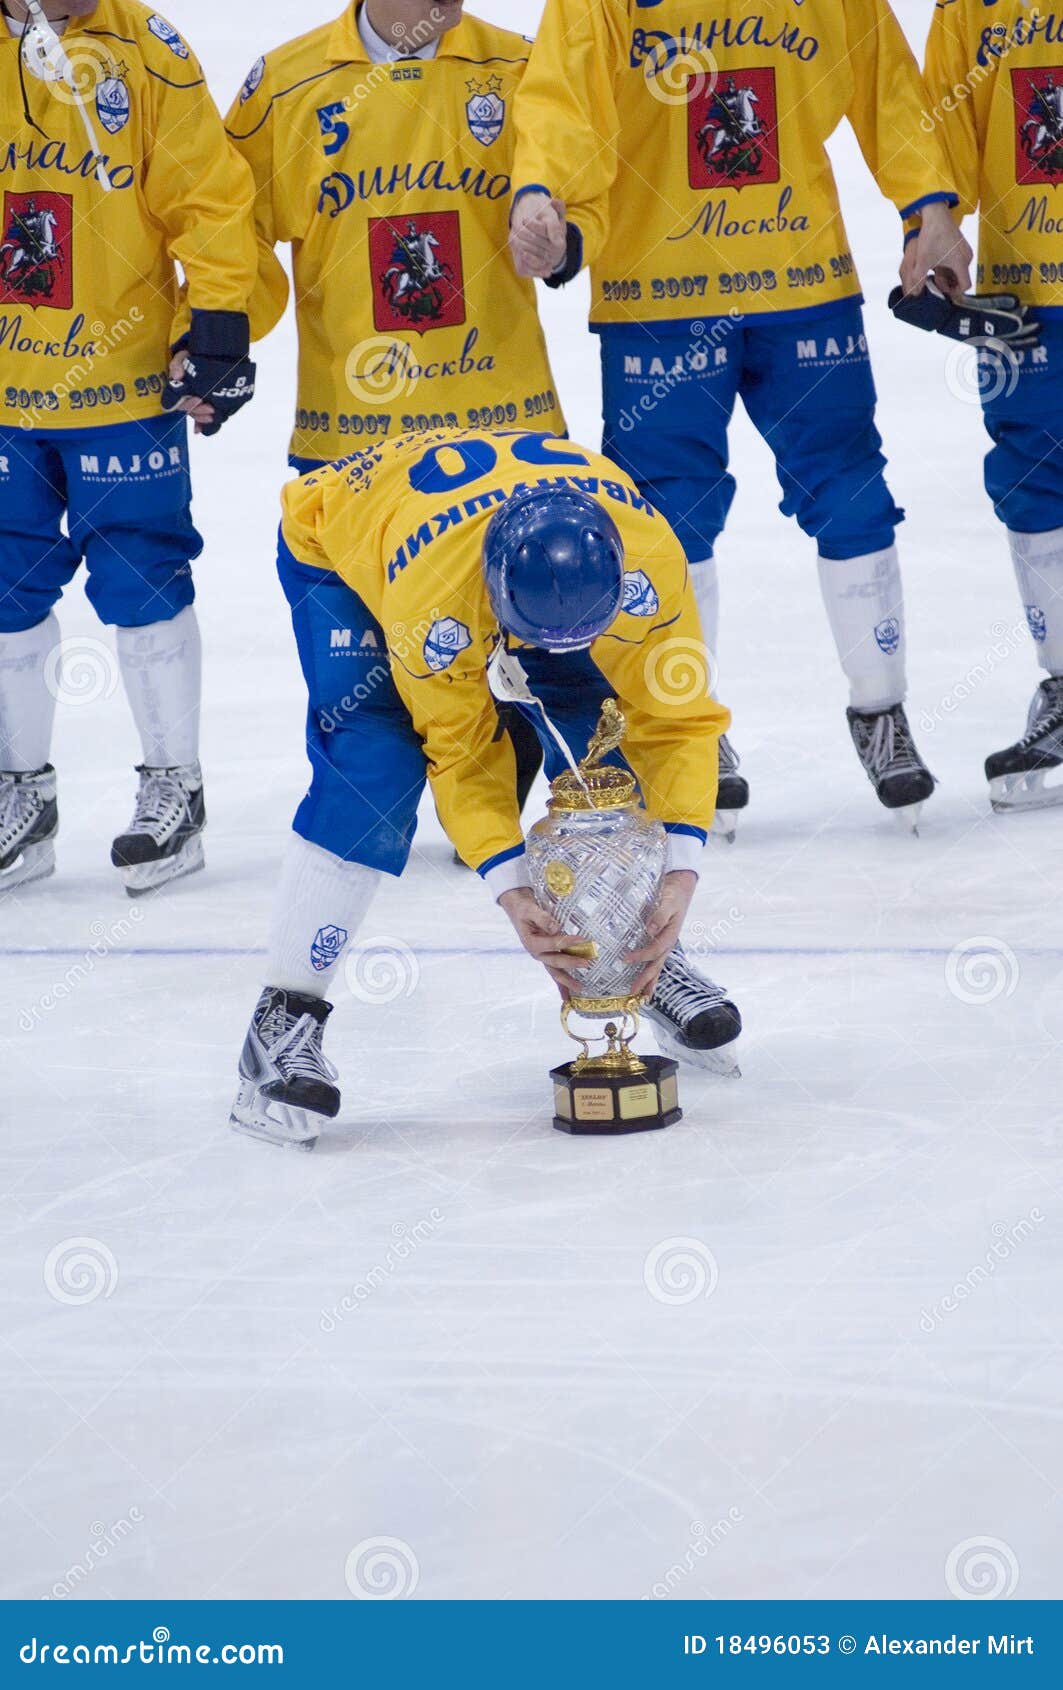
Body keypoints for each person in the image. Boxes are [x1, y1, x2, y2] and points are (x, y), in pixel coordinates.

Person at [509, 0, 975, 833]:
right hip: (657, 293)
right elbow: (564, 97)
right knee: (666, 519)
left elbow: (886, 88)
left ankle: (880, 710)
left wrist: (927, 207)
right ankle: (689, 731)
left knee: (852, 499)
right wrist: (547, 197)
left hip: (802, 286)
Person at [230, 428, 743, 1151]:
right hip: (347, 547)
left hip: (481, 534)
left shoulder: (651, 558)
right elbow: (463, 753)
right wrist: (512, 887)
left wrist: (678, 869)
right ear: (494, 592)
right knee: (372, 765)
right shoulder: (434, 603)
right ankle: (280, 1021)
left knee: (601, 726)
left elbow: (676, 720)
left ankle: (635, 950)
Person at [224, 0, 582, 832]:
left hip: (507, 432)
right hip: (353, 447)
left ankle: (509, 783)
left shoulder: (522, 69)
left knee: (534, 655)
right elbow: (231, 237)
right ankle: (353, 850)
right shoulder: (285, 84)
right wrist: (209, 339)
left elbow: (594, 175)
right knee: (362, 709)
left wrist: (570, 236)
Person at [0, 0, 257, 896]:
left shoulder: (148, 51)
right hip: (4, 392)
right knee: (3, 589)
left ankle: (172, 791)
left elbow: (209, 194)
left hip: (120, 382)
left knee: (141, 580)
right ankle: (20, 798)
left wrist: (220, 321)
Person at [922, 0, 1063, 812]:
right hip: (1028, 298)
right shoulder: (972, 8)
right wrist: (931, 220)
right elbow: (943, 127)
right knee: (1030, 484)